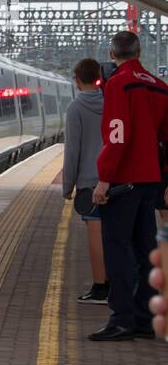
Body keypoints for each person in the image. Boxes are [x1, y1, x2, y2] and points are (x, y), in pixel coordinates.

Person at [90, 30, 168, 341]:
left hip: (124, 181)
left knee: (118, 249)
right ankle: (145, 318)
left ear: (112, 54)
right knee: (145, 247)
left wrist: (105, 178)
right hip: (151, 181)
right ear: (139, 53)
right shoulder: (160, 87)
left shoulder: (119, 84)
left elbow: (117, 135)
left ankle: (121, 319)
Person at [62, 58, 106, 303]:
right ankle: (120, 284)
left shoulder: (75, 108)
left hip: (90, 181)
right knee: (116, 236)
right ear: (99, 77)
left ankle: (101, 286)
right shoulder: (111, 103)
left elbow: (72, 152)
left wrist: (68, 187)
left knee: (95, 233)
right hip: (115, 180)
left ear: (77, 80)